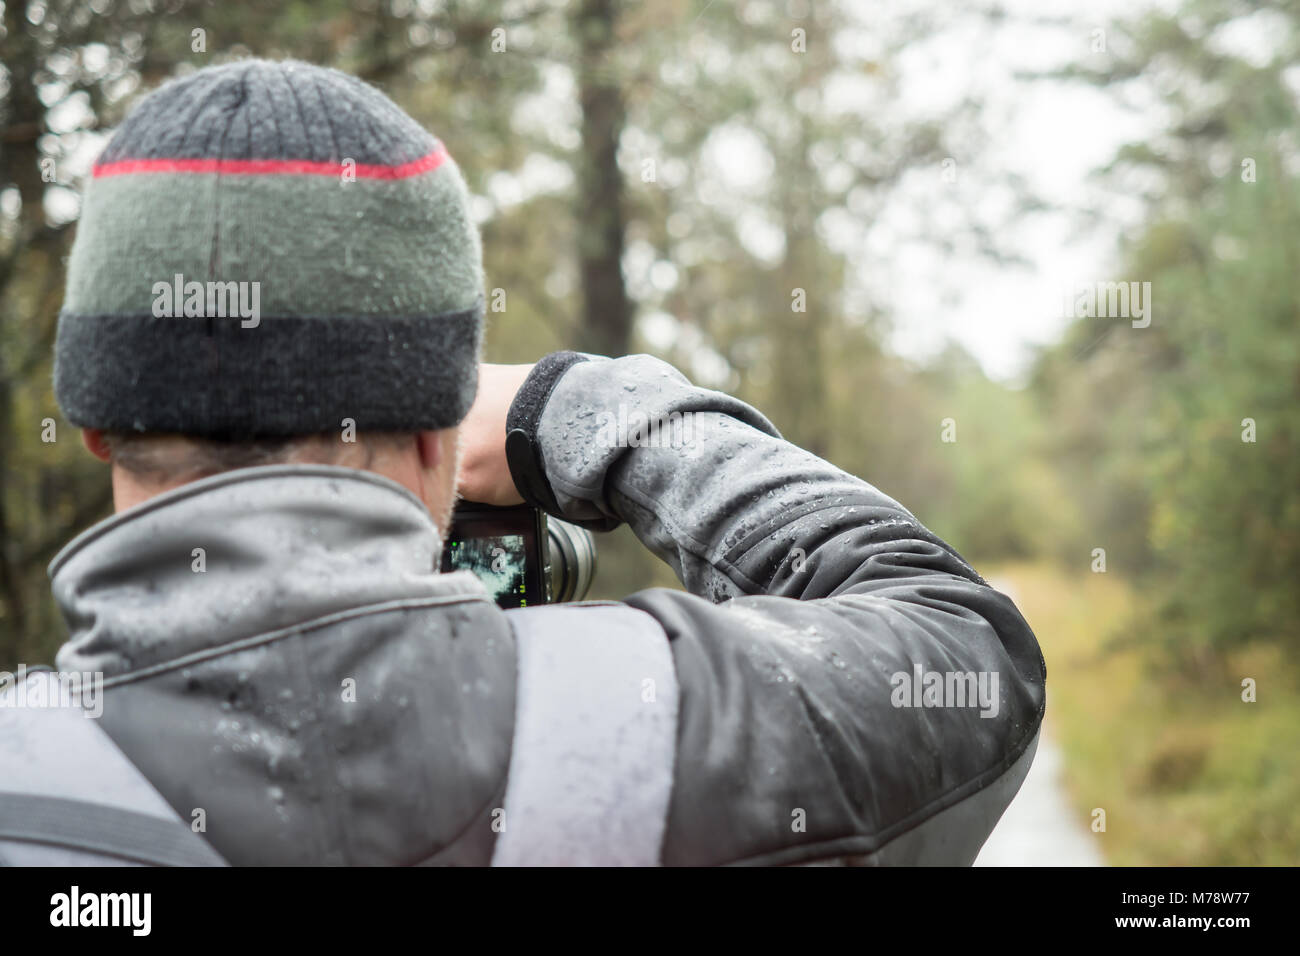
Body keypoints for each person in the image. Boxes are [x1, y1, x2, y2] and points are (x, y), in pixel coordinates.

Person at [13, 59, 1045, 866]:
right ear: (437, 429)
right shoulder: (664, 731)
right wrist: (576, 411)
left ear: (99, 425)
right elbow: (966, 646)